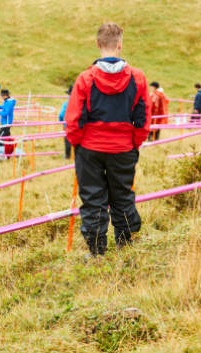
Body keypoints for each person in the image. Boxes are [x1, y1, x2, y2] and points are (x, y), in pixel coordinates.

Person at [64, 22, 150, 256]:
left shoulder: (85, 79)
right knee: (122, 196)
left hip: (89, 149)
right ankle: (124, 246)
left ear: (97, 44)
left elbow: (73, 118)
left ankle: (96, 252)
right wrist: (134, 142)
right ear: (120, 45)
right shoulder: (138, 78)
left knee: (93, 199)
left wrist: (78, 142)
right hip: (123, 148)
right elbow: (143, 118)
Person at [59, 86, 72, 159]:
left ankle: (68, 155)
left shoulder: (66, 103)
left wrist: (62, 123)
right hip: (79, 124)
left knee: (67, 140)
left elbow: (61, 115)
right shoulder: (82, 102)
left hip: (68, 125)